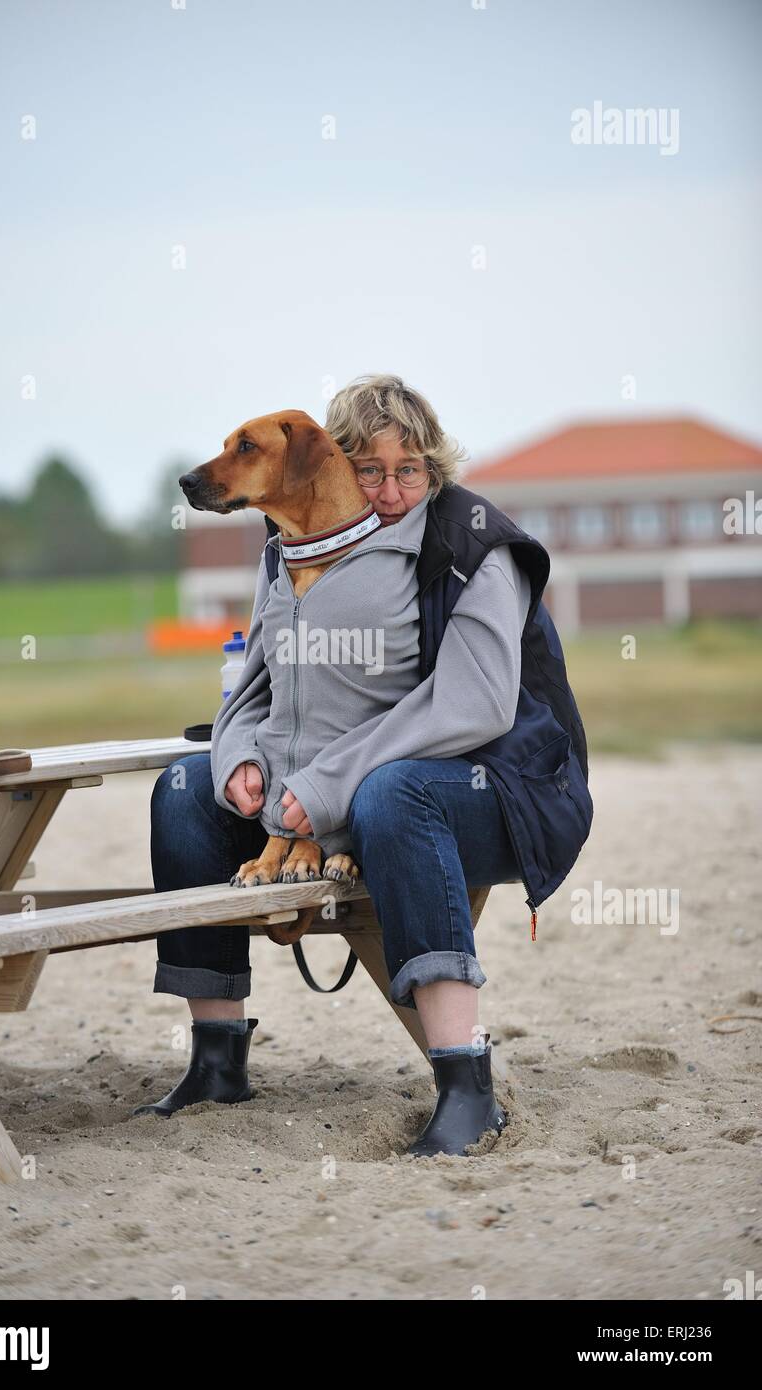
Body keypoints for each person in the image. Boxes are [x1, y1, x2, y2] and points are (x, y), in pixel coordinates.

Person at [135, 375, 592, 1157]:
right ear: (340, 467)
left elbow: (473, 706)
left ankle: (465, 1086)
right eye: (370, 470)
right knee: (183, 788)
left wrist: (322, 785)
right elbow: (252, 683)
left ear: (434, 468)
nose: (388, 490)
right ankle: (215, 1062)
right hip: (349, 792)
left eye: (408, 470)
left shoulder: (476, 545)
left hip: (506, 787)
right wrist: (238, 758)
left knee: (393, 791)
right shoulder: (294, 552)